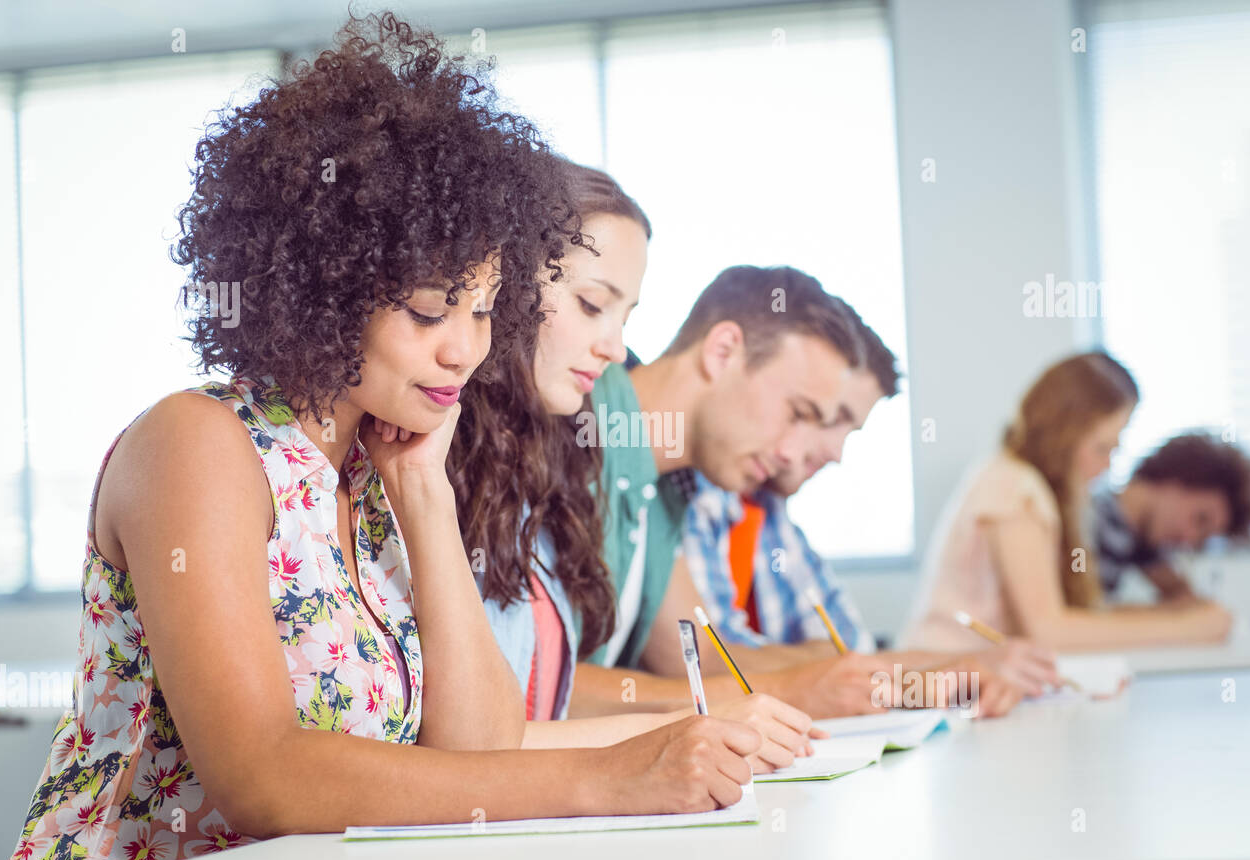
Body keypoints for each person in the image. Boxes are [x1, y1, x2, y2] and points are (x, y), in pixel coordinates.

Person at [8, 14, 758, 860]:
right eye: (433, 311)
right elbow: (261, 773)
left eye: (484, 311)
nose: (465, 348)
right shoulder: (199, 444)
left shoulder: (383, 471)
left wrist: (426, 497)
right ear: (325, 285)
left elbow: (477, 753)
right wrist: (604, 777)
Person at [449, 159, 815, 769]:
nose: (616, 348)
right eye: (592, 304)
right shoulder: (431, 461)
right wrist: (687, 726)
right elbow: (477, 739)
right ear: (501, 285)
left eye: (626, 317)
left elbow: (528, 709)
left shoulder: (536, 464)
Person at [565, 265, 1013, 720]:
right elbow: (536, 686)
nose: (794, 452)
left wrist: (909, 679)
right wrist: (794, 689)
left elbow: (701, 661)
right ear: (722, 352)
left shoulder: (663, 488)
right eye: (799, 412)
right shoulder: (573, 420)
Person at [683, 305, 1054, 708]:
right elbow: (709, 664)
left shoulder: (770, 514)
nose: (835, 452)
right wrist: (853, 667)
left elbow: (851, 654)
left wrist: (957, 669)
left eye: (847, 427)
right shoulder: (698, 491)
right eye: (817, 415)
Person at [899, 351, 1234, 655]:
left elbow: (1078, 617)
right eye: (1102, 448)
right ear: (1063, 437)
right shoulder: (1012, 485)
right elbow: (1050, 633)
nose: (1107, 466)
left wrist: (1170, 614)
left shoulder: (1033, 489)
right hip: (941, 686)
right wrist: (1188, 628)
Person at [1093, 432, 1250, 599]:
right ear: (1177, 478)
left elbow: (1187, 598)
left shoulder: (1141, 539)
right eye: (1200, 518)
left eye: (1201, 538)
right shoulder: (1092, 516)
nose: (1188, 538)